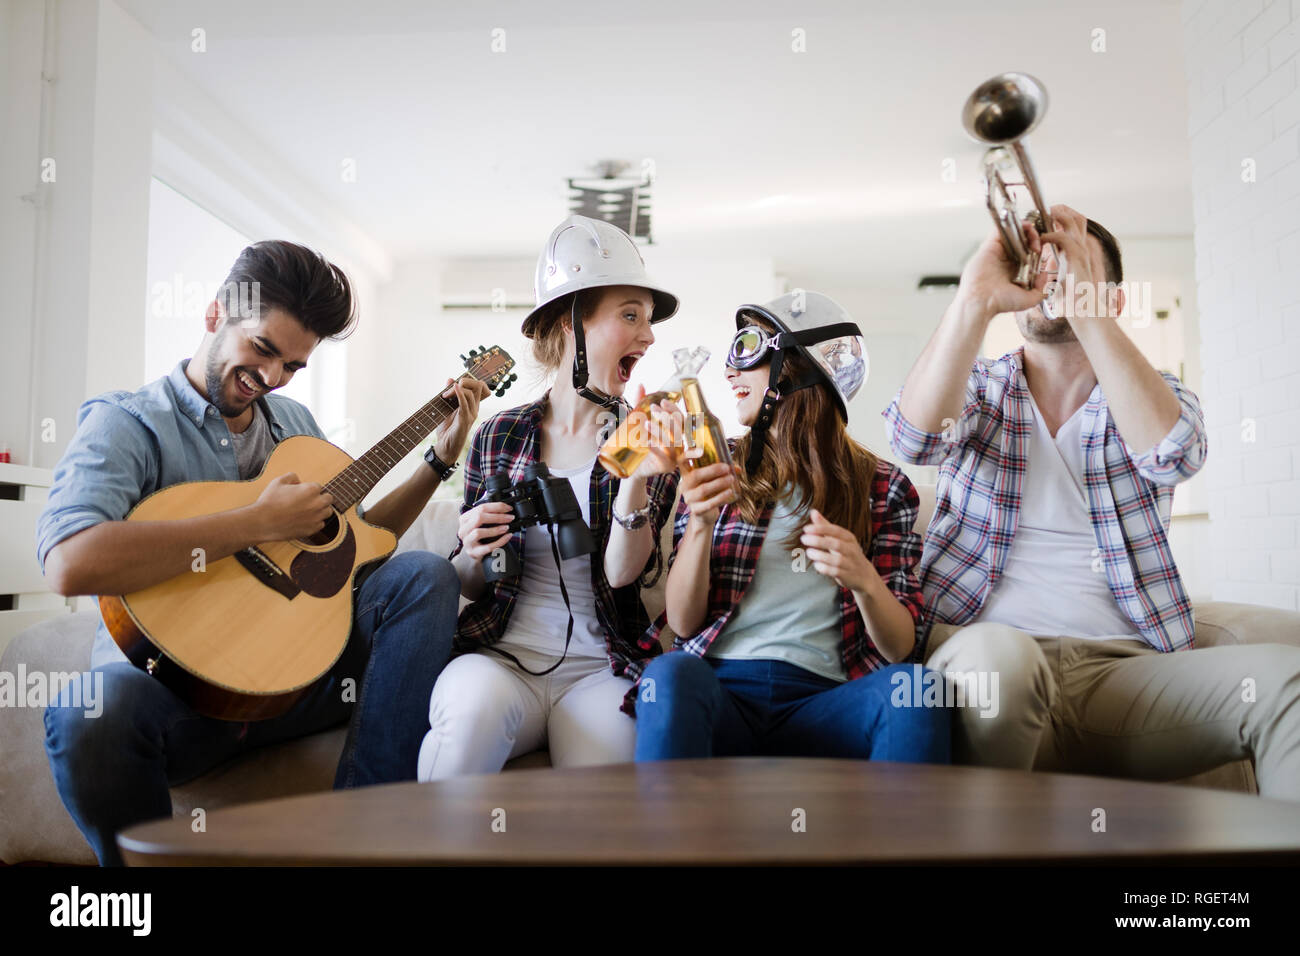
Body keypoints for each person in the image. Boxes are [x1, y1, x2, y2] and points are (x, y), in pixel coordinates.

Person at [39, 240, 486, 865]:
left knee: (425, 574)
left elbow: (358, 545)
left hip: (300, 684)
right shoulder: (127, 424)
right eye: (264, 350)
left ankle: (372, 838)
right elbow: (68, 562)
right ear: (215, 314)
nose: (273, 378)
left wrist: (438, 459)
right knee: (88, 712)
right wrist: (255, 521)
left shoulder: (296, 426)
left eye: (293, 366)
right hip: (178, 700)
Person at [884, 204, 1300, 799]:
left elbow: (1175, 454)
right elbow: (914, 440)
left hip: (1121, 675)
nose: (1052, 279)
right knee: (1008, 662)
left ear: (1112, 299)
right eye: (1041, 267)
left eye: (1073, 270)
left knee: (1288, 683)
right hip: (984, 656)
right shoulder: (980, 386)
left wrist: (1089, 313)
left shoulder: (1153, 393)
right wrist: (973, 299)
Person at [630, 291, 951, 764]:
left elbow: (900, 647)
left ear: (798, 367)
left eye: (747, 348)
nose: (729, 372)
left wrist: (863, 578)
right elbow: (682, 623)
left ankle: (894, 839)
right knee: (668, 676)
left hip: (826, 703)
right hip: (723, 692)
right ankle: (673, 838)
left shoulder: (882, 486)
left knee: (918, 690)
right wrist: (699, 523)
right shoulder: (719, 463)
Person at [417, 215, 682, 779]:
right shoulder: (499, 434)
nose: (650, 335)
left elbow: (621, 575)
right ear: (571, 323)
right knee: (467, 721)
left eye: (650, 319)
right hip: (501, 658)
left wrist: (635, 476)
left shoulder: (643, 435)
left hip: (599, 667)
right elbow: (471, 580)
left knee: (603, 790)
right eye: (630, 315)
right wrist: (469, 546)